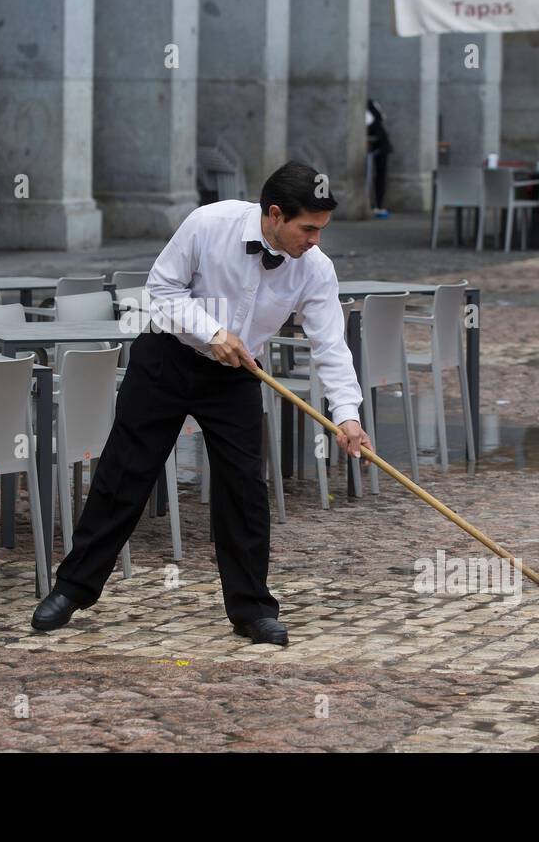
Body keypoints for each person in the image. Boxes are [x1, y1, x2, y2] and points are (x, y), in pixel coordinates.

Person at [31, 161, 371, 646]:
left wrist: (347, 416)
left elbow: (331, 345)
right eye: (308, 228)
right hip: (166, 357)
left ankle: (252, 608)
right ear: (274, 214)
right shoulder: (208, 223)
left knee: (244, 489)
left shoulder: (315, 268)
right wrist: (211, 332)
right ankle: (73, 588)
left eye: (321, 229)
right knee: (126, 473)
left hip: (236, 375)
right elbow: (160, 289)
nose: (315, 239)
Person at [366, 98, 392, 217]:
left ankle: (378, 206)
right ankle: (378, 205)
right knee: (378, 177)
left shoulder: (368, 106)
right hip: (380, 146)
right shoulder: (372, 104)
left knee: (378, 177)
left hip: (378, 148)